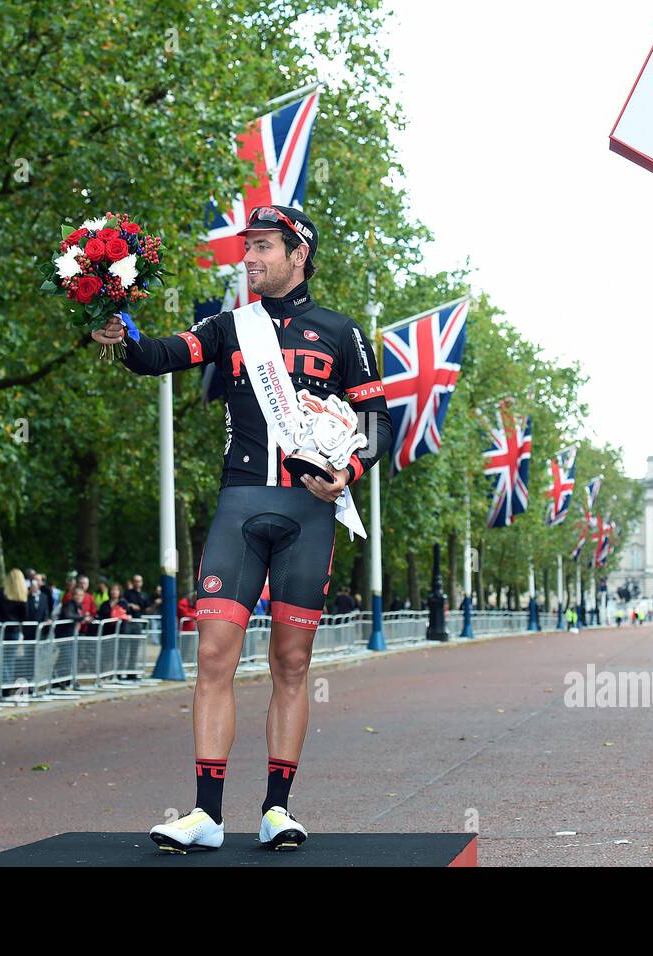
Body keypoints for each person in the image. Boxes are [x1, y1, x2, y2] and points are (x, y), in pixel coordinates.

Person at [95, 204, 391, 852]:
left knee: (291, 664)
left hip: (309, 513)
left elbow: (378, 423)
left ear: (297, 254)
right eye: (247, 248)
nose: (249, 259)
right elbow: (163, 355)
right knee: (212, 655)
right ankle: (204, 815)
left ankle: (277, 810)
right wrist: (123, 332)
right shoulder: (232, 327)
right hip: (239, 506)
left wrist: (350, 474)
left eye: (262, 248)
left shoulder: (342, 333)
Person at [0, 568, 30, 692]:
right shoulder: (22, 596)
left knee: (2, 659)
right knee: (9, 660)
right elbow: (25, 616)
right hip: (14, 630)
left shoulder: (1, 593)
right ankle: (6, 686)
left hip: (1, 629)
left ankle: (4, 686)